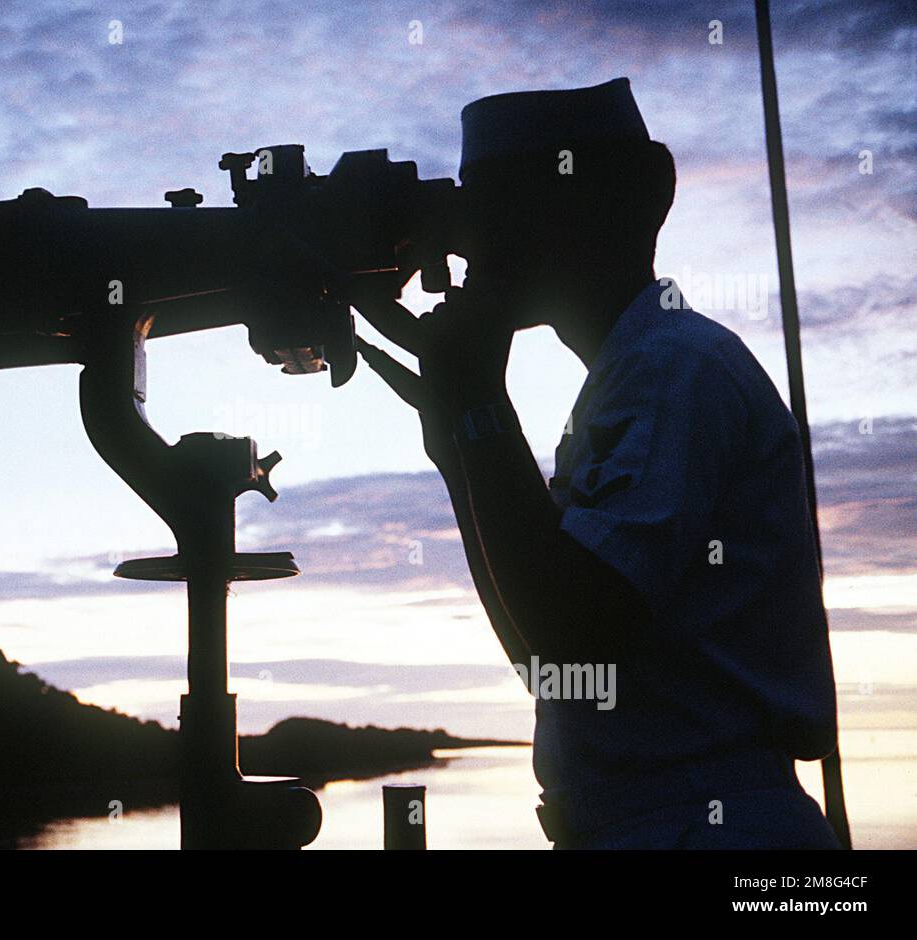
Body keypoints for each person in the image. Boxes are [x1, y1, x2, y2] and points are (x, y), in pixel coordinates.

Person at [349, 78, 841, 849]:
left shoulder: (674, 370)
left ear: (603, 207)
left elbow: (574, 631)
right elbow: (550, 669)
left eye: (505, 205)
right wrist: (459, 444)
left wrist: (478, 403)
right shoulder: (637, 377)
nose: (479, 242)